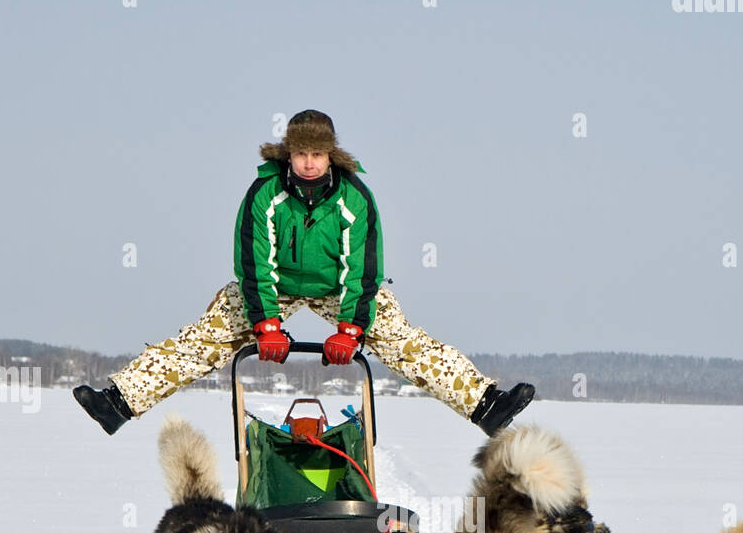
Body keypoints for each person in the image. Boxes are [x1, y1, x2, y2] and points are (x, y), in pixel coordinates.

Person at [74, 110, 535, 436]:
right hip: (274, 290)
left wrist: (351, 329)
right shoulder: (266, 192)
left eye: (318, 152)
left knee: (400, 337)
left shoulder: (354, 197)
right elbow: (254, 263)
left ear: (330, 155)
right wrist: (267, 324)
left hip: (338, 290)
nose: (310, 162)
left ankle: (485, 405)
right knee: (207, 335)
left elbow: (364, 270)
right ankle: (118, 402)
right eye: (301, 153)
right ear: (288, 155)